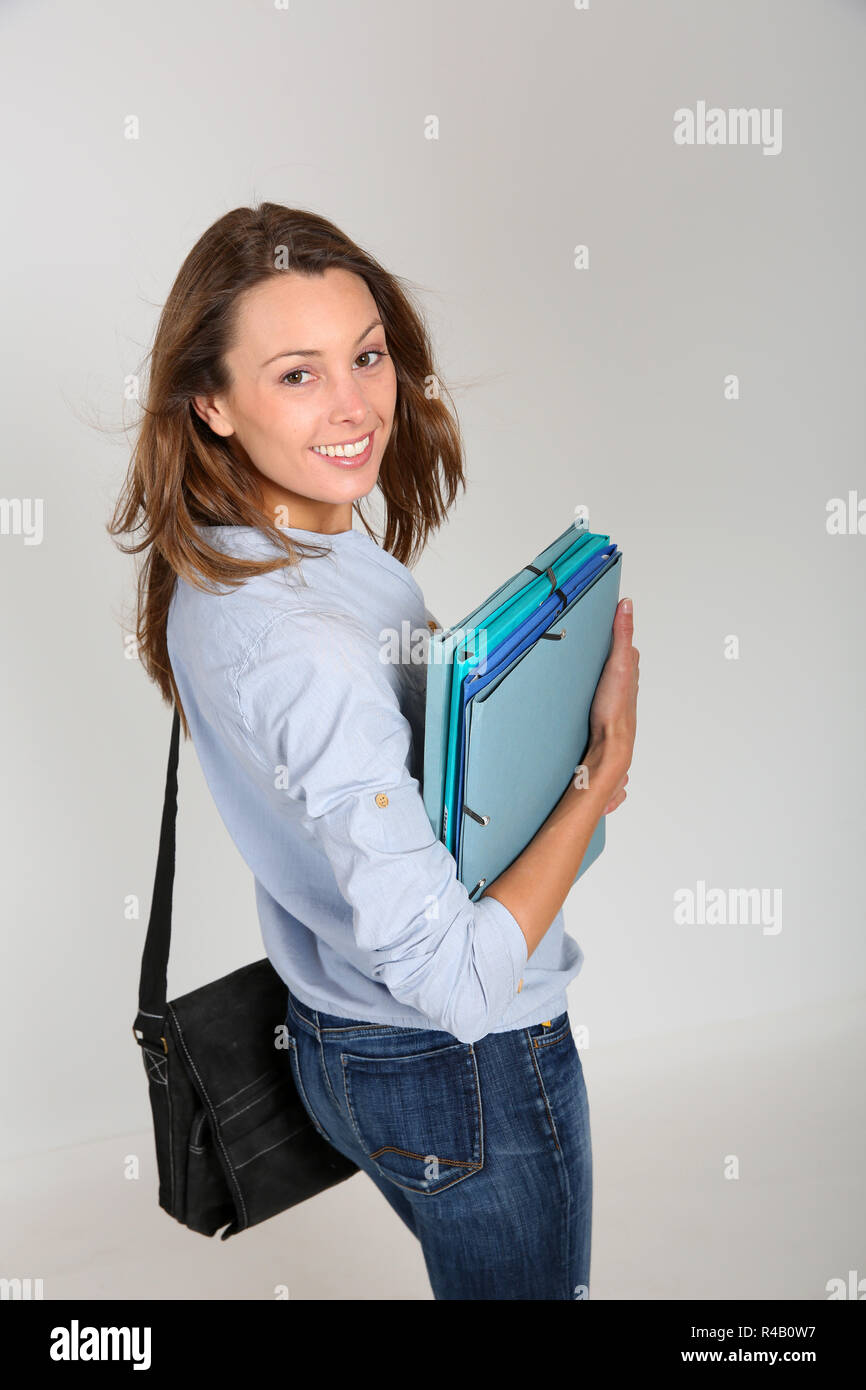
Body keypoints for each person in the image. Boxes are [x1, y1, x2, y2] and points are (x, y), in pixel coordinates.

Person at [108, 202, 639, 1300]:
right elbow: (451, 979)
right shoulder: (302, 643)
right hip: (465, 1068)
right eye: (295, 374)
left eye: (366, 353)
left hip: (340, 1042)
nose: (356, 405)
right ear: (209, 402)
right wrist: (594, 778)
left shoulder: (227, 550)